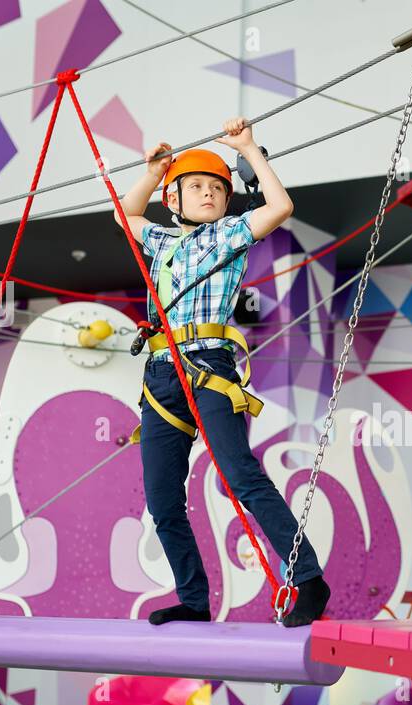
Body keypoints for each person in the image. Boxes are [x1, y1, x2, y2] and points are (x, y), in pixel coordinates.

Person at [116, 118, 331, 626]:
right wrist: (151, 174)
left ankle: (309, 580)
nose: (209, 193)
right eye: (196, 187)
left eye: (216, 188)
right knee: (162, 499)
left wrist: (250, 150)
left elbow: (279, 208)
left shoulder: (230, 235)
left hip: (209, 365)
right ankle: (193, 600)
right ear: (174, 199)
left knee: (241, 476)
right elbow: (125, 215)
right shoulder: (161, 241)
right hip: (161, 375)